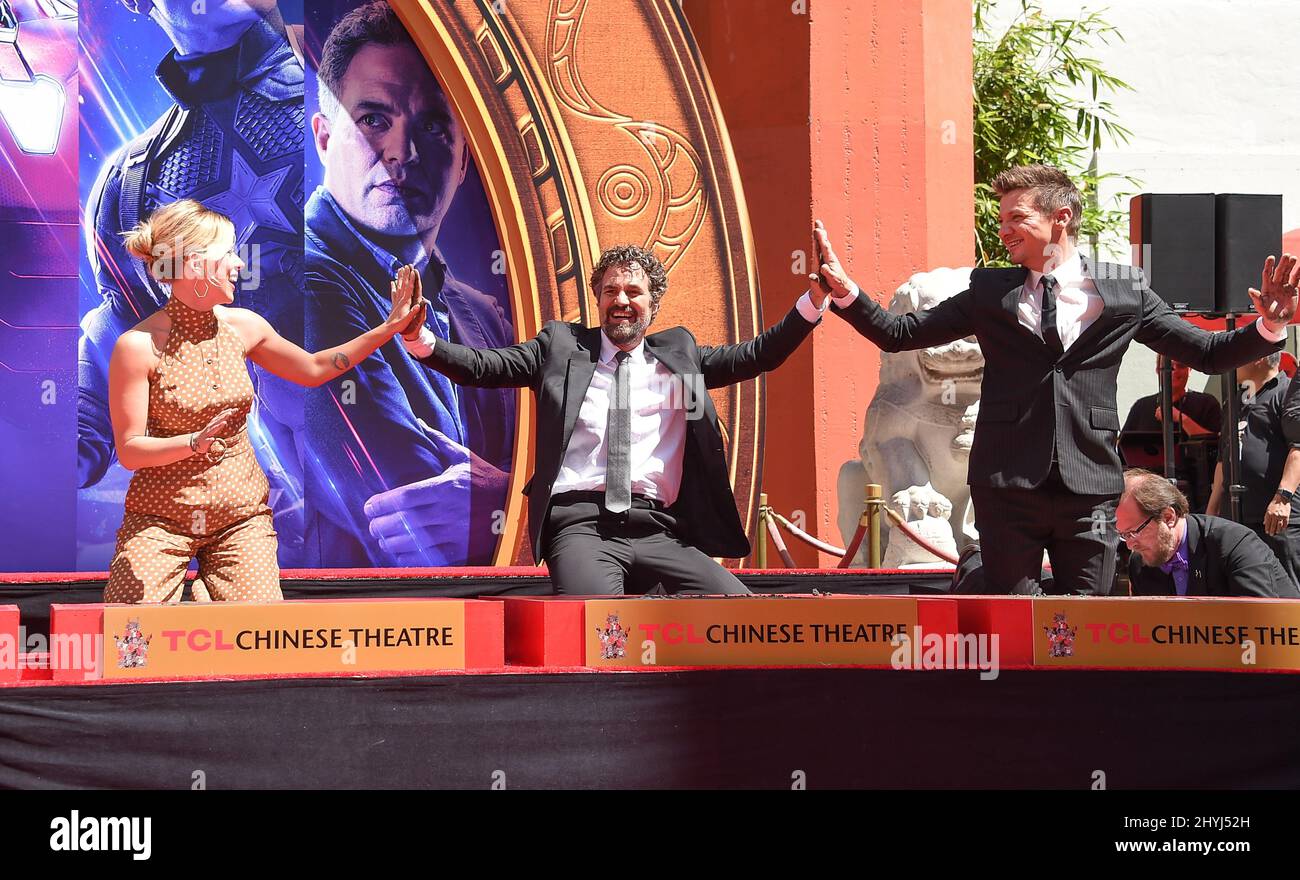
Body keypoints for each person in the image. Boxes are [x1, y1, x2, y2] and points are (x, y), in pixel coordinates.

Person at [813, 163, 1298, 595]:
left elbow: (1208, 353)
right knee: (1015, 622)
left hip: (1089, 490)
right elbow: (902, 333)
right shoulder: (988, 290)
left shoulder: (1123, 290)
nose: (1004, 230)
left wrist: (1270, 326)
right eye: (1001, 220)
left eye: (1016, 218)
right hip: (1006, 488)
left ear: (1061, 216)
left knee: (1084, 624)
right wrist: (846, 291)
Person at [393, 244, 826, 594]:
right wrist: (420, 339)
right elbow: (485, 366)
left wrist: (815, 300)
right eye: (610, 291)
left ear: (653, 305)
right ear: (598, 299)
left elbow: (760, 354)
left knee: (738, 616)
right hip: (583, 526)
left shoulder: (680, 357)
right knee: (601, 631)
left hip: (658, 530)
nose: (621, 301)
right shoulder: (561, 347)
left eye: (633, 292)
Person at [104, 200, 420, 603]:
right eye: (229, 254)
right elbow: (130, 451)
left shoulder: (245, 327)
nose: (239, 264)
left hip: (241, 520)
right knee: (131, 646)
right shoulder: (137, 347)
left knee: (254, 639)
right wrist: (192, 444)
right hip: (160, 520)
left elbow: (314, 368)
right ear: (197, 266)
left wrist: (387, 328)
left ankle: (207, 602)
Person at [81, 0, 307, 562]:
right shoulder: (129, 182)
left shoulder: (368, 109)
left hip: (393, 520)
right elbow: (114, 355)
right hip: (232, 530)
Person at [304, 0, 513, 567]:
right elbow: (409, 517)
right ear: (324, 138)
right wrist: (524, 505)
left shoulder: (484, 314)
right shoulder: (293, 285)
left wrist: (506, 500)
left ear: (465, 158)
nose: (403, 152)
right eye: (373, 120)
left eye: (432, 125)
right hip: (346, 634)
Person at [1120, 469, 1298, 598]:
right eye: (1124, 535)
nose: (1130, 544)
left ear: (1168, 517)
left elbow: (1260, 627)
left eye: (1134, 532)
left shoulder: (1234, 544)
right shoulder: (1140, 563)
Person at [1206, 352, 1300, 590]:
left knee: (1288, 590)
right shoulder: (1235, 400)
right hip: (1237, 517)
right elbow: (1222, 458)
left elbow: (1298, 448)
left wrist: (1282, 498)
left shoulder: (1287, 393)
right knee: (1244, 588)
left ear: (1259, 357)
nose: (1233, 363)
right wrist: (1213, 508)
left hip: (1277, 519)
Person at [1120, 355, 1221, 511]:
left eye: (1180, 365)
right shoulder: (1142, 406)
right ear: (1157, 370)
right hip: (1148, 492)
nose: (1173, 370)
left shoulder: (1206, 403)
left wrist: (1180, 418)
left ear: (1190, 370)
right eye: (1168, 366)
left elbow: (1215, 443)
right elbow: (1124, 449)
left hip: (1195, 491)